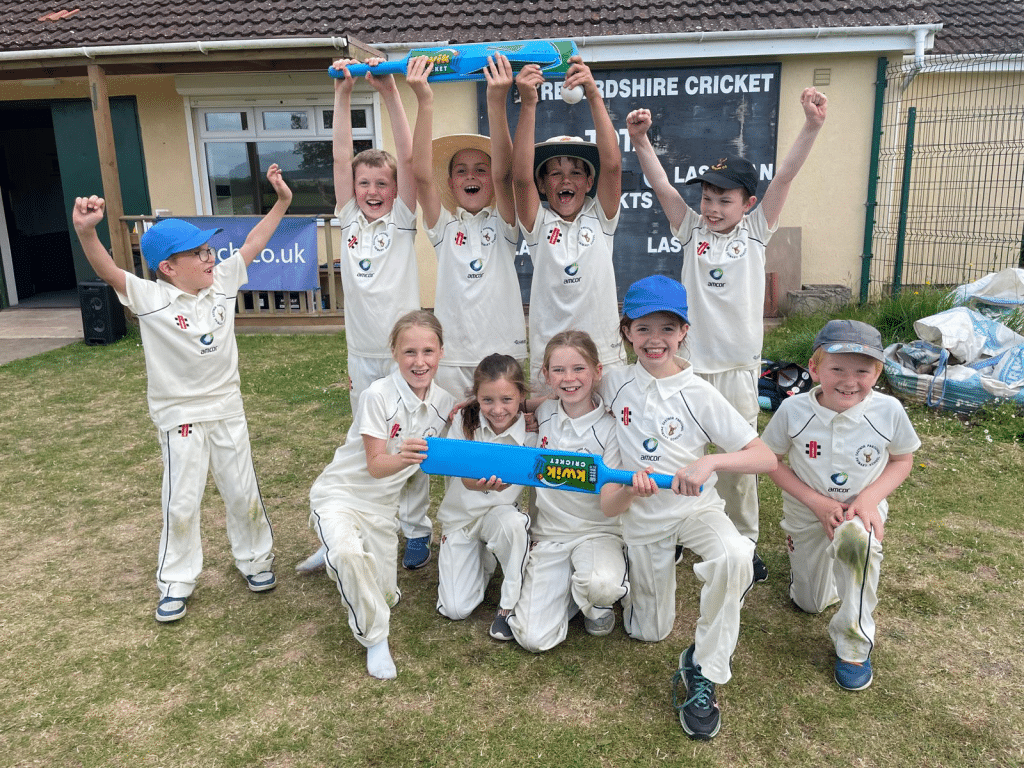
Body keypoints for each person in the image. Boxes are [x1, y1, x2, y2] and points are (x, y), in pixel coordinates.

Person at [70, 165, 293, 623]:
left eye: (209, 249)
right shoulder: (151, 298)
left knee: (242, 491)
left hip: (227, 409)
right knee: (182, 501)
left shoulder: (223, 284)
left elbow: (253, 242)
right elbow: (110, 271)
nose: (210, 258)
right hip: (180, 418)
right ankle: (176, 581)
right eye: (197, 253)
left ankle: (256, 561)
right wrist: (87, 234)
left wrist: (283, 203)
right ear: (168, 267)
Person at [626, 88, 828, 581]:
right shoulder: (691, 229)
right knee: (681, 451)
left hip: (737, 371)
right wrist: (640, 141)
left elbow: (786, 175)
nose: (713, 208)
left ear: (747, 203)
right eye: (708, 197)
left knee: (737, 464)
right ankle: (674, 529)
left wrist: (812, 126)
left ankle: (743, 540)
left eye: (724, 199)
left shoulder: (757, 229)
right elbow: (662, 188)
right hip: (686, 370)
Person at [602, 274, 777, 740]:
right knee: (649, 632)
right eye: (643, 328)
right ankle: (620, 577)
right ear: (626, 332)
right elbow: (569, 395)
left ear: (683, 331)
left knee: (736, 556)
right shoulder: (615, 382)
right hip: (641, 517)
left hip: (696, 510)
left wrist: (711, 460)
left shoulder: (698, 391)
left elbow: (763, 457)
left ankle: (704, 667)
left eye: (666, 328)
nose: (654, 340)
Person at [298, 57, 430, 574]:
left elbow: (409, 154)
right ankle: (348, 524)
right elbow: (338, 157)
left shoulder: (401, 220)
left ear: (396, 191)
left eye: (382, 183)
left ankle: (416, 530)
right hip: (363, 356)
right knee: (364, 444)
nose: (373, 191)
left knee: (412, 444)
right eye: (364, 183)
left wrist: (391, 91)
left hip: (407, 360)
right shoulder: (349, 217)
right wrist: (343, 93)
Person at [761, 319, 919, 692]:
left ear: (878, 372)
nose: (850, 381)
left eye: (862, 371)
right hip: (806, 513)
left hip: (858, 512)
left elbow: (902, 460)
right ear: (814, 369)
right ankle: (833, 575)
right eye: (837, 369)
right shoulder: (793, 411)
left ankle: (854, 645)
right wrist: (816, 503)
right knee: (810, 604)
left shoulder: (889, 411)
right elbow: (771, 461)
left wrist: (868, 500)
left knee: (857, 544)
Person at [308, 310, 455, 679]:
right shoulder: (377, 395)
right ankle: (375, 638)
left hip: (381, 510)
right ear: (393, 352)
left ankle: (337, 551)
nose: (419, 362)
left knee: (388, 595)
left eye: (428, 351)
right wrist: (404, 455)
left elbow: (459, 445)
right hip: (340, 494)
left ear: (440, 352)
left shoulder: (444, 402)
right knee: (348, 554)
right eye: (409, 352)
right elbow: (376, 465)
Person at [407, 53, 528, 399]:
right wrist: (424, 100)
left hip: (505, 352)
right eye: (461, 170)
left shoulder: (505, 221)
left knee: (505, 437)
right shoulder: (442, 225)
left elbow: (506, 175)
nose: (471, 176)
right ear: (450, 181)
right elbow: (421, 176)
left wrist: (496, 100)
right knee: (457, 440)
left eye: (480, 169)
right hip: (454, 357)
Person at [509, 331, 628, 652]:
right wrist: (472, 406)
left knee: (601, 585)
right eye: (558, 370)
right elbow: (514, 405)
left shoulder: (612, 427)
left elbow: (611, 504)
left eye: (579, 369)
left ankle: (600, 597)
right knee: (532, 639)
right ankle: (576, 591)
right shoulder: (546, 412)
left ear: (597, 372)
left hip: (598, 534)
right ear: (546, 375)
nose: (569, 378)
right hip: (549, 538)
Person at [512, 55, 626, 388]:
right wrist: (528, 105)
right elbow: (520, 178)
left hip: (603, 354)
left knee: (608, 438)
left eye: (577, 173)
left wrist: (593, 93)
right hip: (552, 359)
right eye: (556, 174)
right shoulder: (538, 223)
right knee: (552, 437)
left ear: (590, 182)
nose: (567, 181)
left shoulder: (601, 217)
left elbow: (613, 165)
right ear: (543, 184)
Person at [433, 354, 535, 640]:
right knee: (455, 609)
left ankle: (507, 606)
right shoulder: (464, 423)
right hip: (461, 519)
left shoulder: (532, 432)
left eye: (507, 399)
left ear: (521, 397)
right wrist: (482, 485)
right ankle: (486, 560)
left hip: (499, 515)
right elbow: (464, 477)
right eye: (488, 400)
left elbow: (554, 401)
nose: (498, 409)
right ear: (476, 397)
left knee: (514, 525)